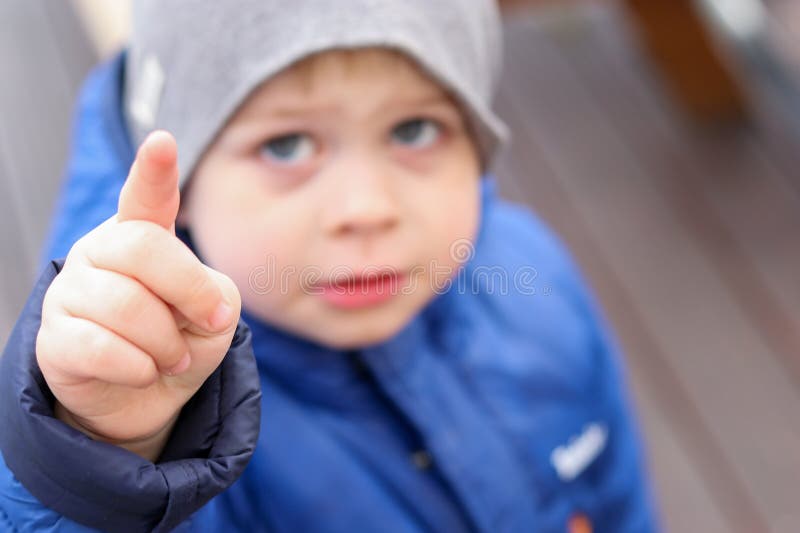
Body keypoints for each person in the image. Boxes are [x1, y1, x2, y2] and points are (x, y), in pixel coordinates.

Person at [0, 1, 659, 531]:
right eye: (287, 144)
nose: (366, 208)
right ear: (187, 187)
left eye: (415, 130)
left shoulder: (535, 278)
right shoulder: (165, 421)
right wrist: (103, 452)